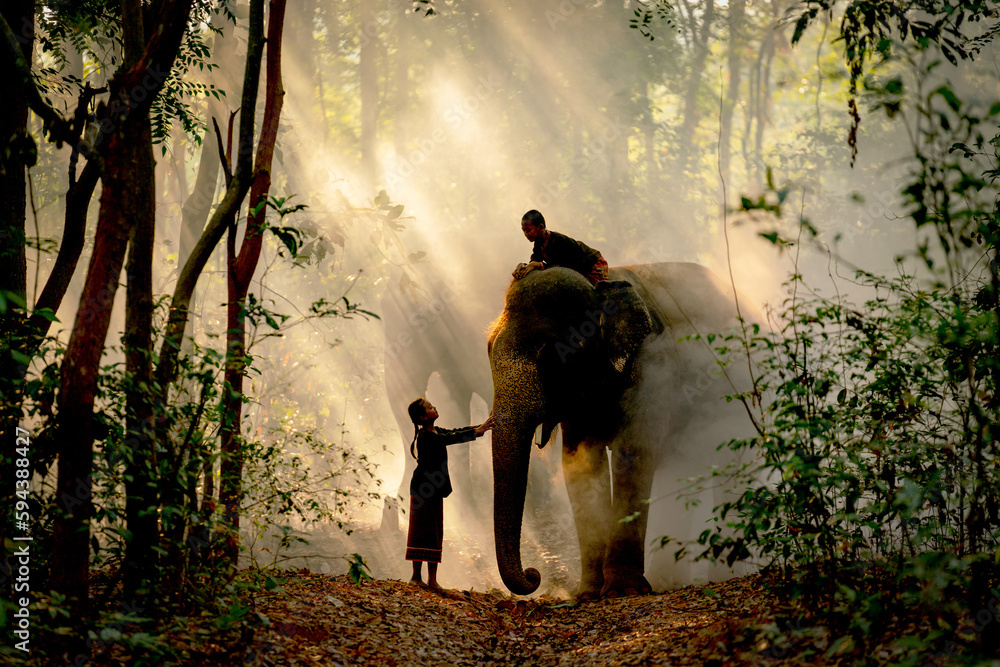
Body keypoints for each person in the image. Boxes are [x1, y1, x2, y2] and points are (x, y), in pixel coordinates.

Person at [405, 398, 492, 590]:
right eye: (430, 407)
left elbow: (454, 432)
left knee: (434, 530)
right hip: (422, 489)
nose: (434, 407)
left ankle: (430, 579)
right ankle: (418, 578)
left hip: (432, 490)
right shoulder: (426, 437)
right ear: (422, 416)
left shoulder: (436, 431)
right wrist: (477, 431)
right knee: (421, 532)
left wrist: (480, 427)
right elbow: (449, 439)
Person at [512, 209, 609, 285]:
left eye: (528, 230)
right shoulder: (538, 244)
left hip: (592, 263)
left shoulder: (558, 240)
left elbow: (563, 266)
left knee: (594, 294)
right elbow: (534, 261)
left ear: (540, 227)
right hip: (575, 267)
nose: (525, 234)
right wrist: (524, 266)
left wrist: (537, 265)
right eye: (523, 230)